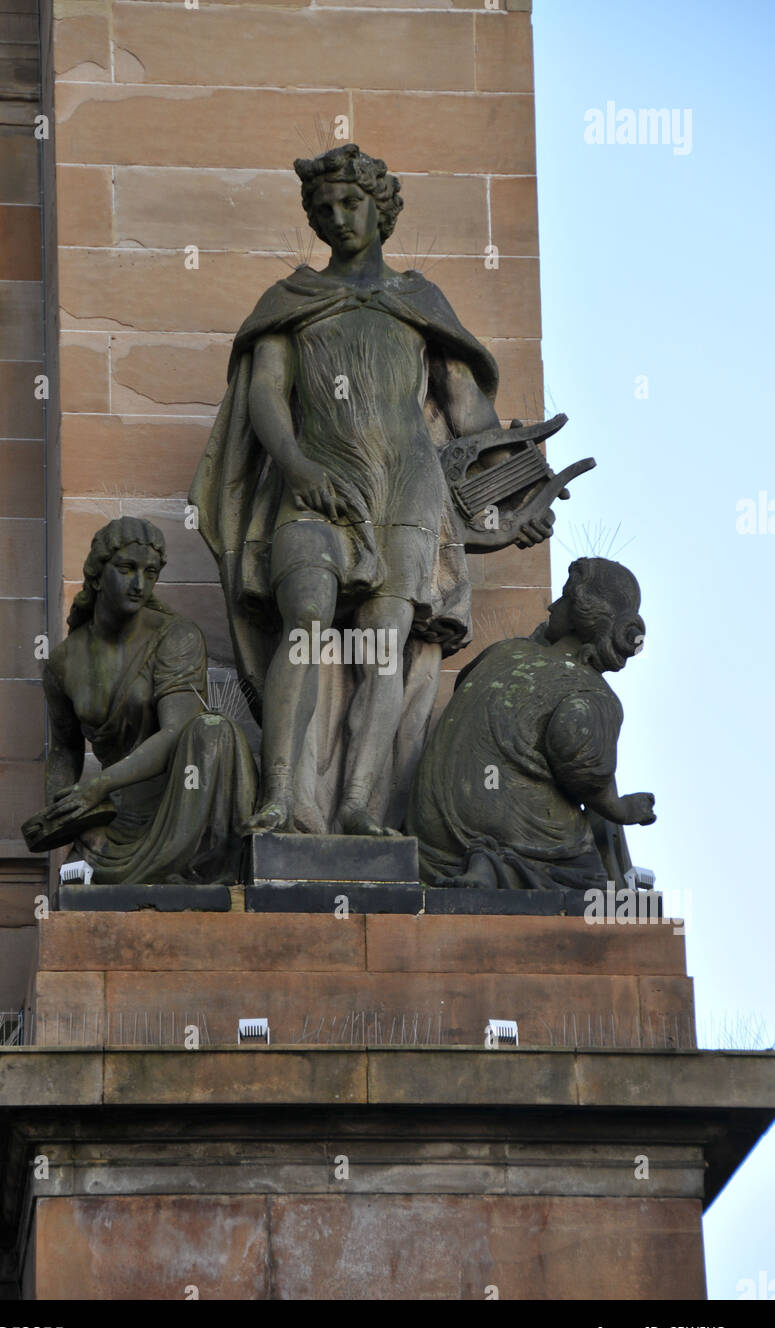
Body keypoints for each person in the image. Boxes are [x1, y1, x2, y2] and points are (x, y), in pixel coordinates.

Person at [189, 144, 553, 836]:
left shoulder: (416, 302)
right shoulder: (294, 301)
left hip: (407, 490)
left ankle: (358, 800)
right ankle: (280, 795)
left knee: (383, 643)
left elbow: (468, 414)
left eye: (350, 203)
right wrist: (295, 465)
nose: (337, 218)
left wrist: (518, 504)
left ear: (380, 210)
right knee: (303, 624)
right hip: (316, 482)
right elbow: (266, 394)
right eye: (322, 209)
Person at [405, 557, 656, 890]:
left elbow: (464, 682)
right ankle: (501, 864)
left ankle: (491, 863)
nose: (552, 606)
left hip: (427, 828)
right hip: (481, 832)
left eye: (564, 599)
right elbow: (586, 770)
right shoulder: (594, 695)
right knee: (594, 865)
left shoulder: (507, 651)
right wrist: (621, 808)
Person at [31, 517, 257, 884]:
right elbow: (64, 752)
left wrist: (100, 784)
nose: (140, 584)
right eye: (126, 569)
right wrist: (66, 819)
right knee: (84, 875)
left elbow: (176, 730)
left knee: (214, 727)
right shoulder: (62, 663)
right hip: (113, 819)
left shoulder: (176, 636)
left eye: (150, 573)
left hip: (181, 804)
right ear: (96, 573)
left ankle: (195, 859)